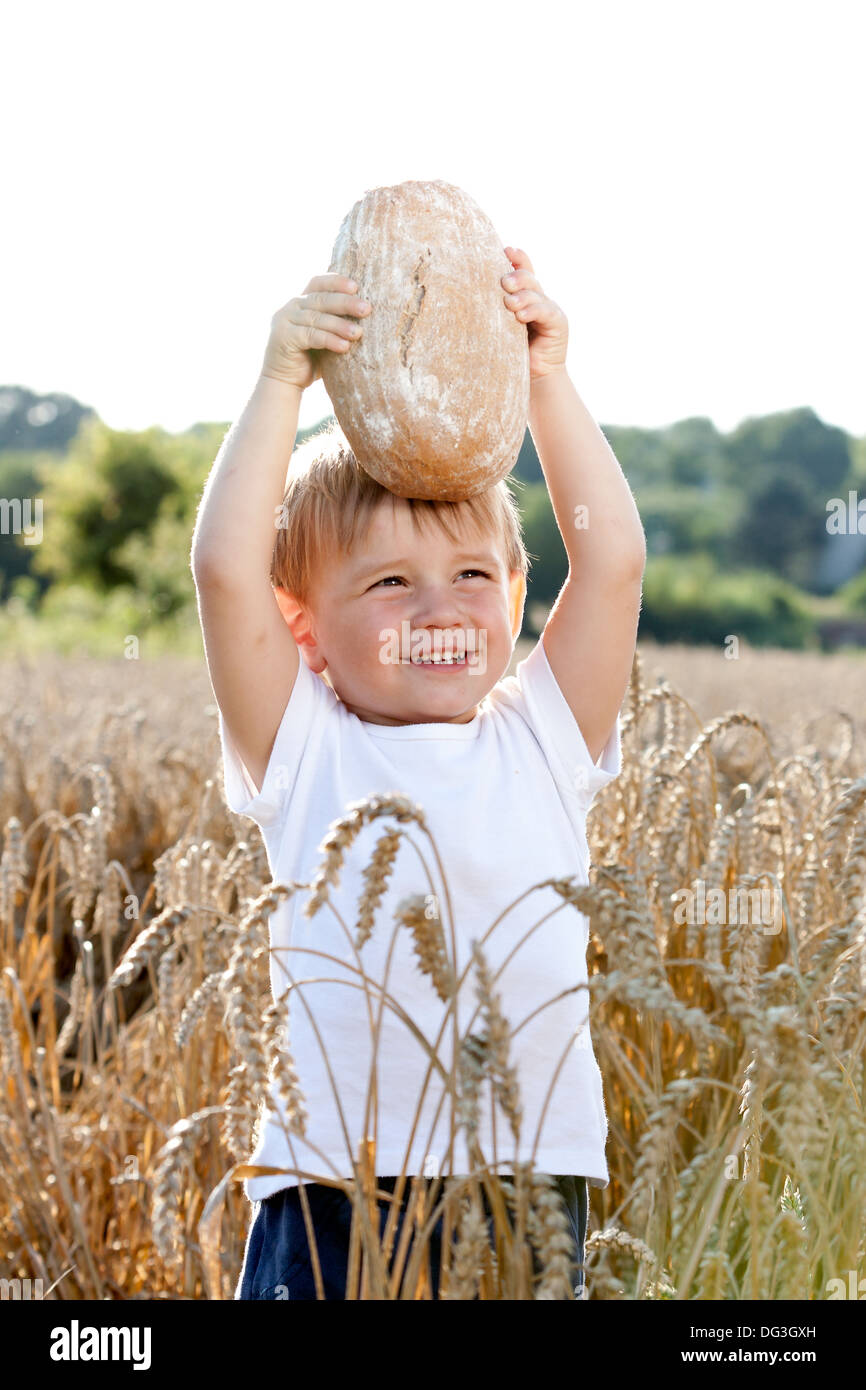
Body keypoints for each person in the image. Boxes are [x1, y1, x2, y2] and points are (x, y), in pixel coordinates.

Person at [190, 245, 646, 1300]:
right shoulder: (303, 749)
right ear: (301, 625)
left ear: (519, 589)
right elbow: (223, 568)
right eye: (391, 581)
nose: (441, 609)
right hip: (333, 1189)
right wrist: (278, 383)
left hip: (524, 1182)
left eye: (473, 575)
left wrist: (545, 379)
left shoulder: (543, 736)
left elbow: (612, 556)